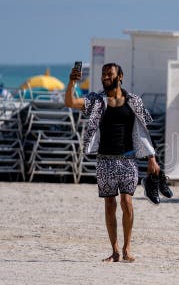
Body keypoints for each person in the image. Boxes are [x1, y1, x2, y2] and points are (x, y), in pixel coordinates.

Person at [65, 63, 160, 263]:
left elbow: (144, 130)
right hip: (105, 160)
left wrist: (151, 158)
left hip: (128, 159)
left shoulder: (134, 101)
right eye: (103, 74)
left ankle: (127, 248)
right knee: (109, 205)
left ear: (120, 77)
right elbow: (70, 102)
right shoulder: (96, 101)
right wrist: (72, 82)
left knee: (127, 202)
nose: (105, 77)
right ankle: (115, 250)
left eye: (109, 74)